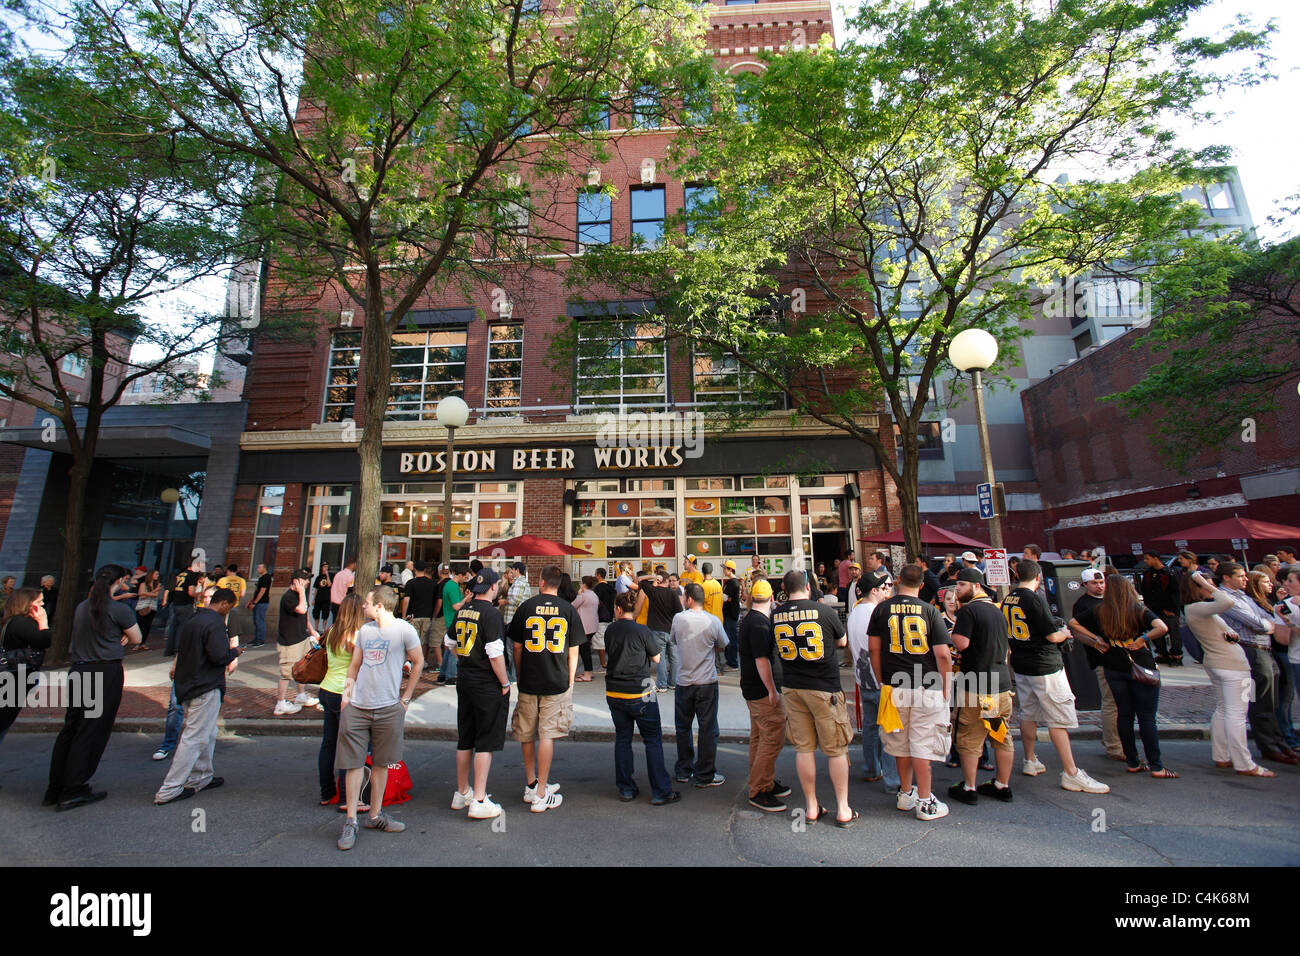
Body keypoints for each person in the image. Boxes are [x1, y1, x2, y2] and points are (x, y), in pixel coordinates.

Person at [1002, 560, 1110, 793]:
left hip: (1022, 663)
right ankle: (1071, 772)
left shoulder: (1009, 598)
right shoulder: (1034, 598)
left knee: (1028, 713)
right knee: (1058, 717)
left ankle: (1030, 759)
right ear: (1039, 577)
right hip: (1044, 665)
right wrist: (1063, 633)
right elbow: (1051, 636)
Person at [45, 564, 142, 810]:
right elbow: (137, 638)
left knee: (72, 727)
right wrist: (121, 636)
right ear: (119, 581)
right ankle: (73, 788)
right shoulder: (118, 609)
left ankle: (55, 787)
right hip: (104, 671)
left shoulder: (81, 607)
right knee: (92, 730)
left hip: (79, 669)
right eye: (125, 580)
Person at [336, 586, 423, 850]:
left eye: (368, 603)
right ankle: (351, 819)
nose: (363, 606)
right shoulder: (365, 631)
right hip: (358, 706)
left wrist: (405, 698)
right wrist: (346, 697)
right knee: (353, 763)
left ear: (380, 606)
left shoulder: (404, 631)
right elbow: (355, 664)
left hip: (388, 707)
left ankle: (375, 814)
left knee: (381, 763)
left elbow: (418, 662)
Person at [869, 563, 954, 821]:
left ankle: (906, 793)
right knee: (922, 745)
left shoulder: (882, 609)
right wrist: (946, 685)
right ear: (921, 585)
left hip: (895, 685)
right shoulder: (930, 611)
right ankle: (926, 801)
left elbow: (873, 648)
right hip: (925, 685)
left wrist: (881, 677)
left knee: (901, 743)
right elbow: (942, 653)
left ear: (897, 580)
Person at [772, 570, 855, 826]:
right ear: (808, 586)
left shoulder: (776, 615)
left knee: (803, 748)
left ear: (785, 588)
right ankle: (842, 808)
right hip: (824, 687)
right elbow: (842, 642)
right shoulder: (825, 612)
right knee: (836, 749)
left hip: (793, 686)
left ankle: (810, 807)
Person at [1069, 575, 1174, 777]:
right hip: (1140, 663)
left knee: (1124, 714)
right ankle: (1156, 765)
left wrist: (1096, 639)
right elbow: (1162, 627)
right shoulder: (1137, 609)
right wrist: (1143, 638)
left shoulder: (1100, 610)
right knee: (1147, 718)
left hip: (1113, 664)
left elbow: (1073, 623)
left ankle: (1132, 760)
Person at [154, 587, 242, 804]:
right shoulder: (215, 624)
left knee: (207, 732)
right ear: (223, 604)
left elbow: (183, 651)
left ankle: (201, 776)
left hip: (188, 683)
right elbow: (219, 656)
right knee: (194, 737)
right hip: (206, 685)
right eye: (229, 607)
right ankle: (170, 787)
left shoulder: (193, 620)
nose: (228, 611)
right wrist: (235, 652)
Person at [508, 565, 581, 813]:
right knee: (547, 734)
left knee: (526, 733)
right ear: (558, 584)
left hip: (529, 678)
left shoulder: (526, 607)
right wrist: (571, 677)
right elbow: (574, 649)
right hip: (556, 679)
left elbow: (517, 646)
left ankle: (532, 784)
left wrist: (519, 672)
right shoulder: (568, 609)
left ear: (541, 582)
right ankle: (541, 792)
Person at [1181, 568, 1269, 776]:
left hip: (1220, 662)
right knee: (1237, 714)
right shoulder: (1197, 607)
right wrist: (1206, 583)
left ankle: (1222, 756)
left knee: (1223, 710)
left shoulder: (1196, 609)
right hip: (1232, 665)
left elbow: (1219, 625)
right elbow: (1227, 602)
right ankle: (1244, 763)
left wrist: (1231, 635)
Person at [947, 568, 1017, 805]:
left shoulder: (969, 611)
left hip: (976, 685)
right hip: (1001, 683)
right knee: (1000, 735)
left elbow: (961, 643)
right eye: (957, 586)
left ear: (976, 586)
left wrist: (950, 636)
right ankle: (1002, 785)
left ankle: (969, 787)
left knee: (970, 737)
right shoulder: (997, 610)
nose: (957, 590)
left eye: (962, 585)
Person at [446, 568, 511, 820]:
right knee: (485, 740)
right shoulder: (492, 615)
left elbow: (449, 643)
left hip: (465, 678)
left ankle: (462, 791)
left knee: (466, 737)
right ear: (493, 587)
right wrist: (504, 682)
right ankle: (480, 799)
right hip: (485, 682)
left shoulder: (464, 610)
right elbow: (495, 653)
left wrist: (466, 659)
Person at [1215, 562, 1295, 764]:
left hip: (1265, 650)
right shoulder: (1228, 599)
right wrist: (1269, 624)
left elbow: (1268, 618)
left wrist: (1269, 624)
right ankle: (1268, 745)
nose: (1245, 579)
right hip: (1252, 651)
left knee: (1273, 699)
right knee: (1260, 701)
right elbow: (1258, 624)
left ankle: (1279, 742)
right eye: (1240, 576)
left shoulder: (1244, 597)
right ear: (1227, 578)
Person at [603, 591, 677, 804]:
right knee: (653, 740)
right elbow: (656, 657)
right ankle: (660, 791)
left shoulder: (610, 630)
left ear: (618, 609)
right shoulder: (643, 631)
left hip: (615, 691)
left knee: (623, 739)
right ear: (633, 608)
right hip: (641, 691)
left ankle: (626, 788)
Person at [737, 578, 791, 811]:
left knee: (759, 738)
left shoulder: (751, 619)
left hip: (752, 689)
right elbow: (762, 660)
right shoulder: (760, 624)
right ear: (771, 598)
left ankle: (765, 781)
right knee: (772, 738)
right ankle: (758, 789)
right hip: (761, 691)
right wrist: (772, 690)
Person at [846, 569, 901, 792]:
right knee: (889, 731)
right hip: (881, 680)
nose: (885, 590)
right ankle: (892, 781)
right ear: (875, 590)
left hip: (863, 680)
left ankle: (871, 769)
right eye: (882, 587)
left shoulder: (854, 612)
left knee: (869, 727)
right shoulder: (877, 613)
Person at [671, 582, 729, 788]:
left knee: (683, 727)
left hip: (684, 681)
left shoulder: (678, 619)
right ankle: (705, 773)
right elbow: (724, 644)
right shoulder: (712, 621)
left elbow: (674, 641)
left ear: (688, 599)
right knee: (708, 728)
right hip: (706, 681)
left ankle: (684, 770)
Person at [1072, 569, 1125, 761]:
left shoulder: (1110, 600)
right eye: (1094, 583)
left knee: (1120, 702)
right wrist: (1095, 642)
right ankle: (1114, 745)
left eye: (1101, 582)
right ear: (1084, 585)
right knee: (1111, 702)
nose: (1099, 586)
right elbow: (1077, 630)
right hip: (1103, 659)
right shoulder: (1083, 605)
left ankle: (1114, 739)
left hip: (1120, 657)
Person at [319, 594, 366, 808]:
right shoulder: (356, 636)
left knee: (328, 743)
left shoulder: (331, 632)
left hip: (327, 688)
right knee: (349, 746)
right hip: (345, 693)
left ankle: (326, 791)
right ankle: (347, 797)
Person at [1245, 570, 1300, 753]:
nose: (1284, 584)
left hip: (1286, 657)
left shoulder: (1282, 606)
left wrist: (1286, 621)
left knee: (1279, 699)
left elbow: (1279, 636)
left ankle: (1284, 738)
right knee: (1275, 699)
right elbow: (1279, 637)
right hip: (1282, 657)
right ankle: (1284, 739)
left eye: (1290, 581)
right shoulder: (1283, 605)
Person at [0, 587, 50, 744]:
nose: (42, 606)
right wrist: (43, 622)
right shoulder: (23, 623)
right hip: (14, 680)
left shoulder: (10, 621)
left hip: (11, 679)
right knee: (3, 721)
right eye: (39, 603)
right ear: (28, 604)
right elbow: (44, 640)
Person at [275, 569, 320, 716]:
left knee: (303, 669)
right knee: (286, 673)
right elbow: (301, 609)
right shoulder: (289, 597)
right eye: (305, 579)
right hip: (290, 642)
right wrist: (301, 592)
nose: (307, 582)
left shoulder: (300, 595)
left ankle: (301, 695)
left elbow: (305, 615)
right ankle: (280, 703)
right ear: (296, 581)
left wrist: (311, 630)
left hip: (302, 637)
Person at [636, 569, 683, 692]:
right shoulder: (672, 593)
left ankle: (662, 685)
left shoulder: (653, 591)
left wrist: (653, 577)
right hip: (671, 629)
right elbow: (679, 611)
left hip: (656, 630)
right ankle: (673, 683)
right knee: (674, 657)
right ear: (667, 581)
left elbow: (640, 580)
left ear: (659, 580)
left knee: (660, 658)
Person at [1140, 552, 1182, 666]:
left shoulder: (1169, 573)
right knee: (1156, 632)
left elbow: (1176, 593)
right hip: (1153, 608)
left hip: (1169, 609)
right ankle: (1162, 654)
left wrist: (1171, 609)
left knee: (1174, 633)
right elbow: (1144, 590)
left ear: (1155, 558)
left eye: (1147, 559)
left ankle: (1176, 655)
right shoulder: (1148, 573)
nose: (1145, 561)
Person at [164, 557, 205, 656]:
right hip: (185, 603)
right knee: (183, 626)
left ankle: (169, 649)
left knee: (174, 626)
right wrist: (200, 593)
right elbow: (191, 592)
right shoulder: (192, 575)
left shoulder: (181, 574)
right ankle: (179, 649)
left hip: (176, 602)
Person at [437, 565, 465, 685]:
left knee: (449, 647)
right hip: (454, 619)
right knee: (454, 648)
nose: (466, 579)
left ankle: (443, 674)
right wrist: (466, 599)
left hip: (450, 619)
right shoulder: (453, 586)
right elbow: (456, 606)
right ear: (459, 575)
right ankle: (451, 676)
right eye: (465, 577)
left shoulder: (449, 585)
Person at [571, 575, 599, 681]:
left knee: (584, 650)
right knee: (585, 649)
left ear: (583, 584)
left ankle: (587, 674)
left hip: (584, 626)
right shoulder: (593, 595)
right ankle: (588, 672)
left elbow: (572, 606)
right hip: (592, 625)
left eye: (580, 583)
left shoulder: (583, 595)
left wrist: (578, 594)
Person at [217, 565, 250, 648]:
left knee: (221, 623)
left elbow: (217, 592)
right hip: (235, 604)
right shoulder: (241, 580)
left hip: (223, 604)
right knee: (233, 625)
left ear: (228, 571)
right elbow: (242, 594)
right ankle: (233, 642)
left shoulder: (222, 580)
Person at [700, 562, 725, 671]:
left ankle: (714, 668)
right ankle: (719, 668)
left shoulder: (703, 586)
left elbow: (700, 604)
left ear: (702, 571)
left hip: (708, 620)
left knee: (708, 647)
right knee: (717, 645)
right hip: (719, 618)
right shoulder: (718, 584)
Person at [592, 567, 616, 670]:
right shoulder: (611, 588)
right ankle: (611, 660)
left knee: (600, 642)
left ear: (598, 575)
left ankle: (603, 663)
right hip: (610, 617)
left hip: (600, 617)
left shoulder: (597, 588)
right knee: (609, 640)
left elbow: (595, 603)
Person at [134, 570, 161, 651]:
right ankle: (138, 643)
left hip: (152, 607)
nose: (157, 575)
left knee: (147, 626)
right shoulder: (143, 584)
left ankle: (143, 643)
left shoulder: (157, 585)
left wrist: (147, 593)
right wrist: (153, 591)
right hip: (142, 607)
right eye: (156, 574)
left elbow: (155, 595)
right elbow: (141, 595)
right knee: (140, 625)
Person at [246, 563, 272, 647]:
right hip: (258, 602)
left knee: (260, 621)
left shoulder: (266, 577)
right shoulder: (261, 578)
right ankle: (257, 638)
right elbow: (256, 591)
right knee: (256, 621)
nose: (257, 569)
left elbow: (262, 591)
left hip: (262, 602)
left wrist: (254, 602)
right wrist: (251, 601)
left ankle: (260, 640)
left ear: (264, 568)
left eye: (259, 568)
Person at [312, 563, 333, 631]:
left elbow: (329, 585)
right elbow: (316, 589)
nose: (326, 568)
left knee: (325, 614)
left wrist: (327, 575)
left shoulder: (330, 576)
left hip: (326, 598)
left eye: (327, 567)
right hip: (318, 598)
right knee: (316, 613)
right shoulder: (318, 577)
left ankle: (323, 629)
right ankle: (316, 628)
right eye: (324, 567)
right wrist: (313, 599)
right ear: (322, 568)